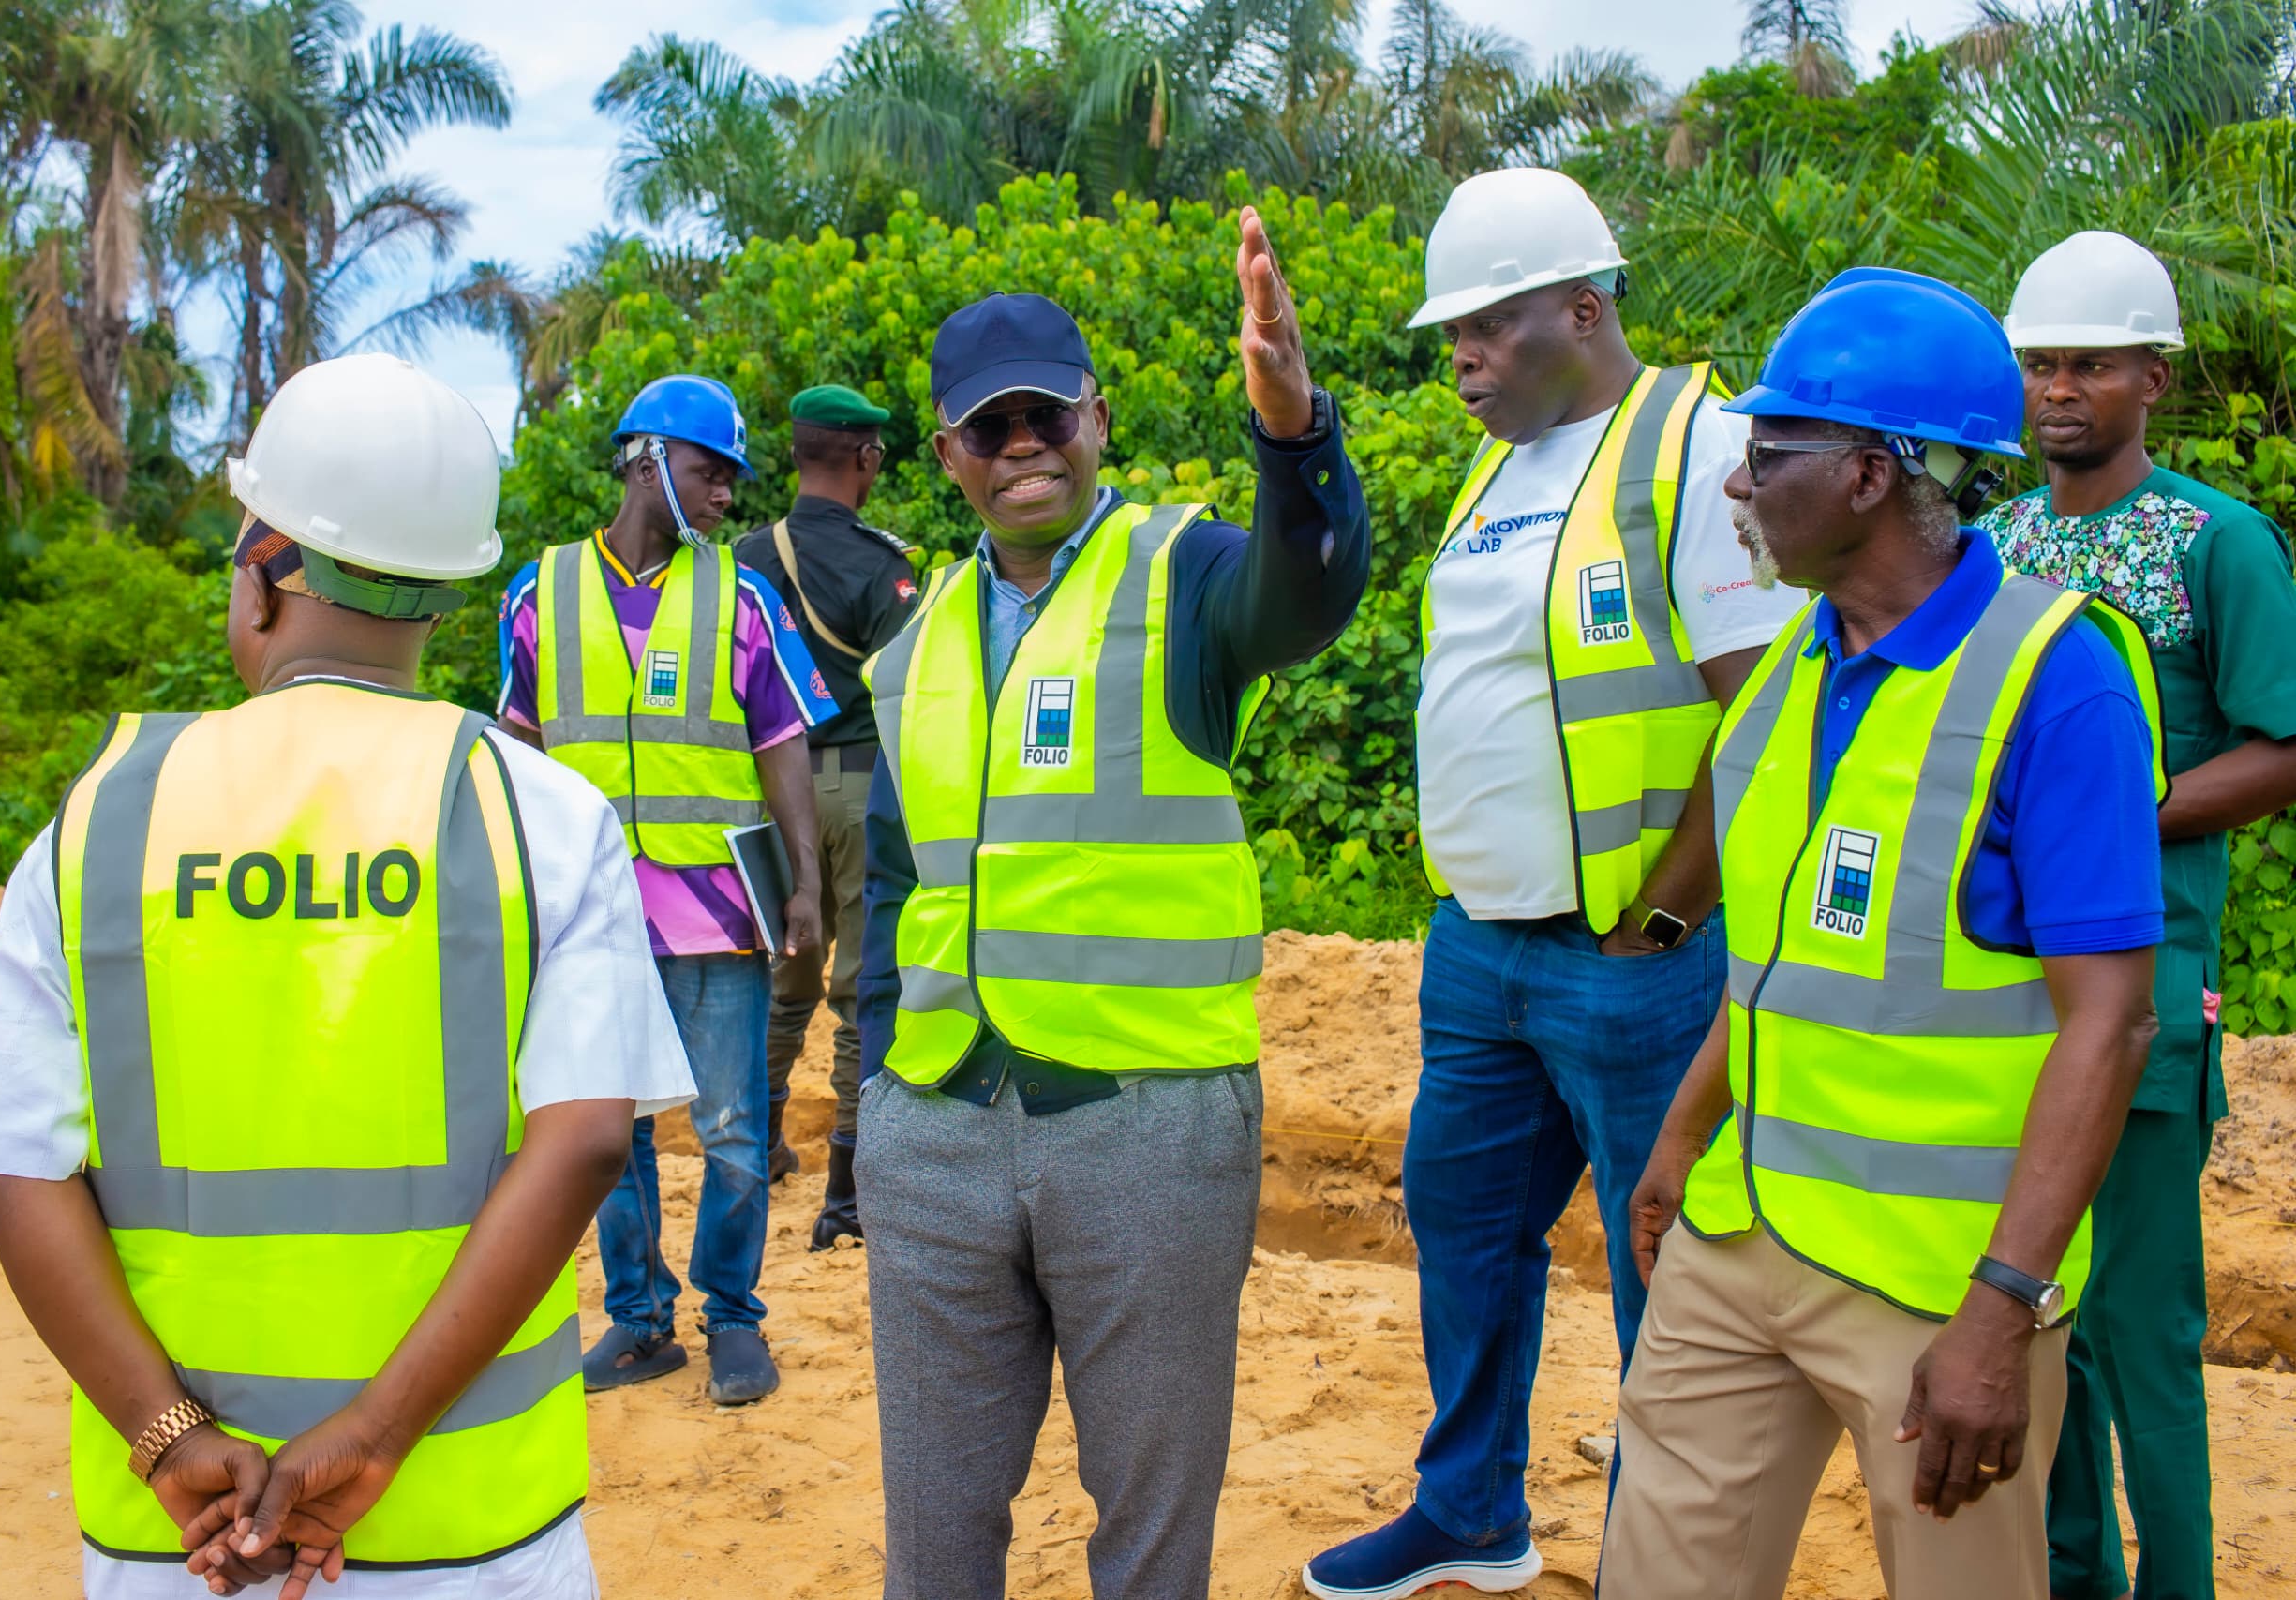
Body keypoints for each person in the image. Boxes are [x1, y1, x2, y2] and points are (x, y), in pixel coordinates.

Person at [0, 352, 696, 1597]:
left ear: (267, 564)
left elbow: (10, 1155)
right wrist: (380, 1430)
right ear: (447, 590)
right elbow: (586, 1142)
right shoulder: (536, 812)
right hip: (468, 1525)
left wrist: (168, 1435)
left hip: (187, 1537)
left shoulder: (102, 822)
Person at [1602, 268, 2168, 1599]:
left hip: (1939, 1285)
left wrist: (2001, 1304)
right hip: (1741, 1237)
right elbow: (1786, 966)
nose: (1738, 485)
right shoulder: (1791, 668)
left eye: (1767, 450)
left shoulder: (2058, 677)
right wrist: (1684, 1138)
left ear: (1868, 475)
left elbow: (2111, 1017)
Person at [1303, 167, 1804, 1598]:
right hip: (1480, 952)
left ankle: (1670, 1548)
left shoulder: (1693, 447)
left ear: (1584, 308)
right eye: (1447, 331)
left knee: (1670, 1264)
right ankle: (1470, 1510)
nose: (1457, 354)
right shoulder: (1491, 469)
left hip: (1632, 959)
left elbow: (1761, 714)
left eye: (1485, 323)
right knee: (1465, 1231)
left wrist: (1667, 913)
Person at [853, 211, 1368, 1600]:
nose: (1023, 442)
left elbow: (1309, 591)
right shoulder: (911, 652)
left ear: (1097, 416)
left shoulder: (1187, 575)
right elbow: (895, 896)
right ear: (949, 453)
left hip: (1147, 1129)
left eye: (1047, 413)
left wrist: (1292, 426)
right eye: (989, 424)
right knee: (935, 1531)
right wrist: (870, 1115)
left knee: (1149, 1531)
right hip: (936, 1127)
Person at [1989, 230, 2296, 1600]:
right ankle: (2072, 1575)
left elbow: (2282, 747)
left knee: (2144, 1323)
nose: (2061, 388)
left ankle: (2181, 1579)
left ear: (2152, 377)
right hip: (2006, 996)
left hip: (2147, 989)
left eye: (2091, 364)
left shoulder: (2218, 540)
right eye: (2041, 363)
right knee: (2041, 1313)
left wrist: (2104, 810)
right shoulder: (1994, 544)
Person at [497, 373, 836, 1406]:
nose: (730, 495)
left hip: (718, 917)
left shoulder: (741, 596)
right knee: (612, 1132)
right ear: (646, 461)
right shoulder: (537, 593)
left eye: (732, 478)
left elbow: (782, 747)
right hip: (590, 922)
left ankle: (732, 1318)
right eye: (710, 473)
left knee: (733, 1127)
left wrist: (806, 891)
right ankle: (639, 1323)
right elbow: (516, 754)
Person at [733, 382, 921, 1248]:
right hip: (855, 779)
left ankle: (757, 1147)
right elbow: (908, 688)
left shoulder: (741, 561)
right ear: (864, 459)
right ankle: (844, 1196)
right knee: (857, 990)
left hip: (767, 792)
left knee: (781, 984)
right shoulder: (882, 564)